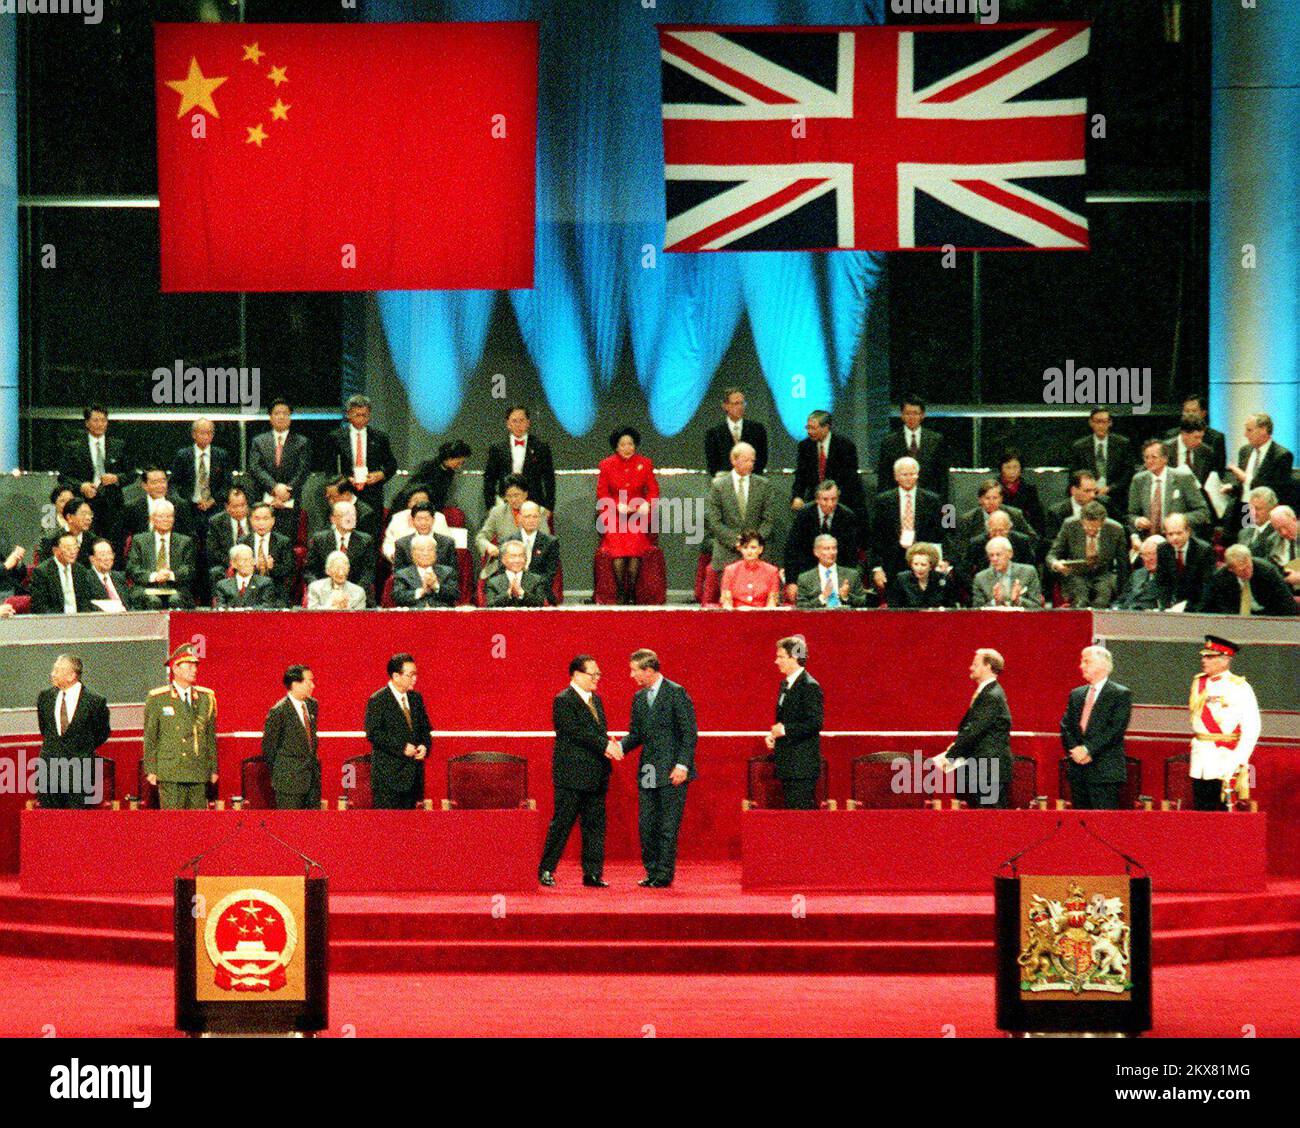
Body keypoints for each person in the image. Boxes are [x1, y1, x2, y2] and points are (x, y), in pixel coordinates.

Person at [615, 650, 698, 888]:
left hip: (673, 771)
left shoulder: (676, 693)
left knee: (667, 825)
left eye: (634, 670)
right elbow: (637, 734)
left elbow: (689, 733)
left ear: (648, 671)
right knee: (647, 823)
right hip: (649, 770)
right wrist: (618, 746)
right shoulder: (639, 698)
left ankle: (663, 874)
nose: (631, 675)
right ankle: (652, 871)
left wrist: (682, 765)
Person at [539, 655, 617, 887]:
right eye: (592, 674)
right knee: (562, 823)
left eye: (598, 674)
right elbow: (575, 732)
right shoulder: (563, 700)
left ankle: (592, 873)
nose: (596, 679)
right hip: (571, 775)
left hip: (596, 774)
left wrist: (608, 744)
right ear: (576, 674)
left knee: (595, 826)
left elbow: (596, 732)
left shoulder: (597, 700)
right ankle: (546, 869)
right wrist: (605, 745)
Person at [1187, 635, 1261, 810]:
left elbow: (1252, 727)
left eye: (1210, 657)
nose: (1203, 660)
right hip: (1200, 758)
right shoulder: (1199, 682)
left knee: (1223, 814)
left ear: (1225, 660)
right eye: (1203, 656)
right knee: (1201, 812)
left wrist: (1239, 760)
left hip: (1225, 759)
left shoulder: (1239, 687)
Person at [933, 648, 1012, 808]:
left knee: (988, 822)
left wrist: (949, 757)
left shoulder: (991, 695)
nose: (971, 668)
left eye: (975, 664)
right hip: (984, 770)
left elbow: (973, 731)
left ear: (988, 666)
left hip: (987, 771)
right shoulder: (990, 693)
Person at [142, 644, 218, 810]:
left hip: (197, 768)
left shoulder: (206, 698)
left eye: (195, 665)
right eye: (189, 665)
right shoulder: (158, 698)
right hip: (171, 770)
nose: (194, 670)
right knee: (173, 823)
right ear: (175, 668)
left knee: (198, 824)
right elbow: (151, 737)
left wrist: (213, 768)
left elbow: (210, 736)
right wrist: (151, 769)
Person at [1059, 646, 1132, 809]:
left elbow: (1115, 730)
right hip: (1078, 770)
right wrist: (1076, 751)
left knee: (1102, 825)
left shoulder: (1120, 694)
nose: (1081, 666)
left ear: (1103, 665)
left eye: (1086, 661)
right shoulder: (1076, 694)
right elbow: (1066, 726)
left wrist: (1088, 750)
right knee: (1080, 823)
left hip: (1104, 772)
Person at [57, 404, 137, 553]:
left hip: (112, 504)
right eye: (95, 420)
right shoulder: (73, 447)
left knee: (113, 544)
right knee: (85, 544)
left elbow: (132, 474)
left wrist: (117, 478)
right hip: (84, 502)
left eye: (103, 420)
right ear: (87, 423)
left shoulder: (119, 445)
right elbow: (63, 476)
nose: (100, 424)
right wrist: (81, 486)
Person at [36, 654, 110, 808]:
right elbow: (45, 730)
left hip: (80, 773)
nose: (53, 673)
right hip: (49, 772)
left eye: (57, 670)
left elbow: (102, 733)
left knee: (77, 825)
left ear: (72, 675)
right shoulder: (45, 697)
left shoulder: (95, 701)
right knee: (50, 825)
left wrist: (80, 748)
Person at [596, 427, 660, 604]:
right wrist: (617, 506)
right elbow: (602, 494)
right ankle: (620, 592)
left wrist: (647, 504)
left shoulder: (645, 463)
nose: (627, 447)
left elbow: (653, 490)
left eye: (630, 444)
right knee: (618, 551)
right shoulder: (606, 464)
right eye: (622, 444)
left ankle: (631, 591)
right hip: (614, 513)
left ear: (635, 445)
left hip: (637, 513)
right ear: (616, 447)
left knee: (634, 551)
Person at [364, 653, 432, 809]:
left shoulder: (416, 698)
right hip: (388, 782)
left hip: (413, 778)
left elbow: (425, 728)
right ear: (395, 676)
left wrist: (424, 745)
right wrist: (401, 747)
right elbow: (373, 733)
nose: (415, 678)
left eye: (416, 674)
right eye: (410, 675)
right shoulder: (378, 700)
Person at [869, 456, 944, 595]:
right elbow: (875, 538)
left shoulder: (934, 500)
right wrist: (876, 568)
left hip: (924, 564)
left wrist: (945, 559)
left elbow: (945, 531)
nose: (909, 478)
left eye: (912, 474)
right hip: (892, 564)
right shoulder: (882, 501)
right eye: (904, 474)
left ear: (918, 475)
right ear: (896, 476)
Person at [765, 636, 823, 809]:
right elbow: (786, 719)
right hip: (788, 766)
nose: (776, 661)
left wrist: (784, 730)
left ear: (795, 657)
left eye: (781, 657)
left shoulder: (809, 685)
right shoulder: (786, 684)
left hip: (801, 768)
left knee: (801, 821)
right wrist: (774, 735)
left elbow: (815, 723)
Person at [783, 479, 860, 603]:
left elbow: (850, 554)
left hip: (837, 572)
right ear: (817, 499)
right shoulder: (804, 514)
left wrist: (846, 581)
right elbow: (792, 549)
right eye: (825, 499)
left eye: (834, 499)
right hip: (807, 574)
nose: (830, 504)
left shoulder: (847, 516)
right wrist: (791, 581)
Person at [706, 442, 774, 575]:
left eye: (752, 461)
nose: (750, 464)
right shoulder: (719, 486)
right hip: (727, 556)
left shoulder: (764, 486)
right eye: (746, 460)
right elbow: (714, 522)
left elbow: (768, 520)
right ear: (733, 460)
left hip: (757, 556)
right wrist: (737, 541)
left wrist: (753, 544)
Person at [248, 398, 312, 539]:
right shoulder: (258, 441)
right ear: (270, 417)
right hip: (264, 499)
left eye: (285, 413)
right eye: (277, 413)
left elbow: (303, 470)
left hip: (290, 501)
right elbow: (255, 467)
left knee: (287, 542)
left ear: (290, 417)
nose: (281, 416)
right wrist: (274, 488)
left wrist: (286, 491)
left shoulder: (302, 442)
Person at [1128, 437, 1210, 544]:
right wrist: (1137, 521)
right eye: (1146, 457)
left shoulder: (1183, 478)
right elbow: (1131, 515)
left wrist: (1179, 521)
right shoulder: (1138, 480)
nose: (1149, 461)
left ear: (1165, 459)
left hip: (1178, 539)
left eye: (1154, 457)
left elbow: (1203, 512)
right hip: (1148, 540)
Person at [328, 394, 398, 518]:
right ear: (349, 414)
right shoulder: (336, 437)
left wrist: (381, 474)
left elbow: (391, 464)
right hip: (346, 492)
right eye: (357, 415)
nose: (361, 419)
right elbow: (329, 468)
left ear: (369, 415)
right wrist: (345, 479)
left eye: (364, 415)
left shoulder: (379, 437)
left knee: (372, 531)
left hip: (373, 493)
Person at [1046, 501, 1126, 609]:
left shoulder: (1116, 530)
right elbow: (1052, 555)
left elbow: (1123, 563)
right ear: (1081, 521)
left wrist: (1123, 591)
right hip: (1076, 574)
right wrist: (1056, 564)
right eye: (1087, 528)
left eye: (1096, 529)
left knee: (1102, 600)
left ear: (1102, 523)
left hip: (1103, 574)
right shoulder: (1069, 525)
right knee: (1080, 600)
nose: (1091, 532)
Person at [262, 665, 321, 809]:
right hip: (289, 784)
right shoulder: (279, 711)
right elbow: (269, 748)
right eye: (309, 682)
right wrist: (284, 773)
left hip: (312, 782)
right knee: (290, 828)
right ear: (295, 684)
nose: (313, 686)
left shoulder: (312, 705)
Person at [1222, 412, 1295, 523]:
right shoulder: (1244, 451)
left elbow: (1274, 490)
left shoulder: (1282, 456)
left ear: (1263, 430)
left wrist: (1245, 478)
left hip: (1263, 513)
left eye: (1249, 430)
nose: (1245, 434)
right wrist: (1232, 487)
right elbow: (1242, 485)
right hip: (1242, 508)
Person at [482, 404, 556, 513]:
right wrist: (490, 506)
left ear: (528, 423)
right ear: (508, 424)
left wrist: (549, 507)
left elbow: (549, 479)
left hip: (534, 503)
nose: (518, 425)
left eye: (522, 420)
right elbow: (489, 479)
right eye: (514, 421)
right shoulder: (497, 449)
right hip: (505, 503)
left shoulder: (541, 447)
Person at [876, 394, 949, 501]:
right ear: (902, 415)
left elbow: (942, 477)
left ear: (922, 415)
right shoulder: (889, 442)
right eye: (908, 413)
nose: (911, 417)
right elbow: (884, 477)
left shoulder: (936, 440)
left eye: (915, 413)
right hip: (898, 499)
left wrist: (943, 505)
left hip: (928, 499)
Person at [476, 474, 551, 578]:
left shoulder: (538, 511)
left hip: (531, 566)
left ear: (525, 494)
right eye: (509, 496)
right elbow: (481, 537)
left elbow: (544, 540)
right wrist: (488, 546)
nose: (513, 500)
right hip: (502, 567)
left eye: (516, 495)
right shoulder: (497, 512)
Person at [169, 417, 232, 540]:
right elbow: (174, 484)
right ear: (194, 434)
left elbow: (227, 484)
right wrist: (183, 502)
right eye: (202, 432)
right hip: (189, 508)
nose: (205, 436)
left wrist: (213, 500)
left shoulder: (222, 455)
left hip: (215, 508)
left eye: (209, 433)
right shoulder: (183, 455)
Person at [793, 410, 865, 515]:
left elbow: (850, 479)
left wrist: (831, 500)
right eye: (807, 427)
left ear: (826, 427)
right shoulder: (805, 446)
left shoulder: (845, 446)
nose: (809, 431)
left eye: (813, 428)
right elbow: (801, 475)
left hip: (841, 501)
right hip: (815, 502)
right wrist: (797, 496)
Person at [125, 500, 196, 608]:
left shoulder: (185, 541)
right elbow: (133, 568)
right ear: (152, 519)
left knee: (176, 599)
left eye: (169, 516)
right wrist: (155, 576)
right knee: (153, 601)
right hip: (146, 587)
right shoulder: (139, 540)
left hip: (175, 587)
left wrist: (170, 575)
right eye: (161, 516)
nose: (166, 520)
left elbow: (189, 569)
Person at [1069, 407, 1133, 518]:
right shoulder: (1079, 446)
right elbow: (1074, 474)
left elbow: (1128, 472)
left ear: (1110, 423)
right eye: (1097, 421)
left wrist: (1109, 488)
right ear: (1091, 423)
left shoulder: (1122, 443)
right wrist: (1092, 489)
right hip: (1087, 499)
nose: (1101, 425)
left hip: (1116, 498)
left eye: (1104, 421)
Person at [306, 500, 375, 599]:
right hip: (324, 594)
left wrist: (354, 593)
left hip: (355, 595)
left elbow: (368, 573)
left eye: (353, 515)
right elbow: (309, 571)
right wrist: (322, 590)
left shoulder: (365, 541)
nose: (350, 519)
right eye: (344, 515)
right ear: (333, 519)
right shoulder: (319, 539)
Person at [1202, 545, 1297, 616]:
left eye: (1249, 566)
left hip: (1266, 618)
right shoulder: (1220, 578)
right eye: (1242, 570)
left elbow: (1287, 604)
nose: (1247, 572)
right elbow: (1207, 607)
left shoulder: (1267, 572)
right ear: (1231, 569)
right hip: (1235, 621)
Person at [501, 501, 561, 602]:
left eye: (535, 516)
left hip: (540, 594)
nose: (531, 520)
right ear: (519, 518)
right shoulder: (507, 541)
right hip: (511, 593)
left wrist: (526, 591)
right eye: (527, 516)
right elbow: (502, 571)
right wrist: (515, 588)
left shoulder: (551, 543)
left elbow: (549, 574)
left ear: (540, 518)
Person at [1154, 512, 1214, 611]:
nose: (1175, 538)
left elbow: (1206, 587)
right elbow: (1162, 583)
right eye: (1170, 534)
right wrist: (1164, 608)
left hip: (1196, 606)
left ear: (1188, 531)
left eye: (1179, 533)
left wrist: (1187, 609)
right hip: (1173, 606)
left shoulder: (1203, 550)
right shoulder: (1163, 549)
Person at [705, 387, 769, 477]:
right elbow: (713, 463)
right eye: (736, 403)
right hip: (725, 483)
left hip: (752, 481)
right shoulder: (714, 433)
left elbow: (762, 458)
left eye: (742, 403)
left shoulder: (757, 429)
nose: (740, 407)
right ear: (725, 406)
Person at [240, 503, 295, 606]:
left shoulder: (283, 542)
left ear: (273, 521)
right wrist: (255, 567)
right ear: (250, 520)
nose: (261, 523)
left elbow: (289, 570)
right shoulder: (243, 542)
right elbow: (238, 569)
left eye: (265, 519)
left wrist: (272, 568)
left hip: (275, 590)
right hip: (249, 589)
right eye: (257, 519)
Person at [796, 534, 870, 609]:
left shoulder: (852, 575)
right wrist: (822, 597)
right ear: (816, 552)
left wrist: (846, 597)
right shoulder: (805, 578)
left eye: (834, 548)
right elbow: (801, 607)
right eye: (827, 549)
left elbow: (863, 602)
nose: (832, 552)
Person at [29, 534, 97, 614]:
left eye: (75, 548)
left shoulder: (80, 570)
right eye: (68, 549)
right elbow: (39, 606)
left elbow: (86, 601)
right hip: (56, 620)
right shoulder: (42, 572)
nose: (73, 552)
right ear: (55, 550)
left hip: (79, 620)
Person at [384, 489, 454, 563]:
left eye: (423, 500)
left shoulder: (439, 517)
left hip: (434, 561)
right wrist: (393, 555)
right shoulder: (398, 518)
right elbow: (389, 543)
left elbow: (447, 543)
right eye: (415, 500)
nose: (420, 502)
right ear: (408, 503)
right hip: (405, 562)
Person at [971, 536, 1041, 609]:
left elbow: (1038, 607)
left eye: (998, 554)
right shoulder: (980, 578)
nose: (994, 559)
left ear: (1010, 554)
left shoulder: (1028, 572)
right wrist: (995, 602)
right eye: (991, 555)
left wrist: (1018, 600)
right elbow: (976, 610)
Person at [1164, 393, 1226, 473]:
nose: (1190, 414)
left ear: (1203, 413)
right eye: (1186, 411)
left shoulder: (1215, 440)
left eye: (1194, 411)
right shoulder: (1170, 437)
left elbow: (1218, 471)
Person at [390, 500, 458, 574]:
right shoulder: (402, 544)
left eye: (427, 519)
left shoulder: (447, 543)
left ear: (433, 520)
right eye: (419, 519)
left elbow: (453, 573)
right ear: (412, 521)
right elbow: (398, 574)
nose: (423, 523)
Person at [721, 531, 782, 609]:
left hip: (762, 616)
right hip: (736, 616)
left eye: (753, 547)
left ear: (760, 549)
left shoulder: (772, 571)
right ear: (740, 549)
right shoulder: (730, 570)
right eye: (745, 547)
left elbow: (772, 603)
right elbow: (726, 603)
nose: (749, 552)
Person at [392, 535, 457, 608]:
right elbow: (397, 596)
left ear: (436, 553)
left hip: (441, 615)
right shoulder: (402, 574)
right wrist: (421, 592)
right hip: (413, 615)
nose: (425, 553)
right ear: (412, 553)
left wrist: (436, 586)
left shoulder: (448, 572)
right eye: (421, 550)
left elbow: (454, 594)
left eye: (430, 550)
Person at [206, 486, 251, 590]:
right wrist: (235, 564)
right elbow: (213, 551)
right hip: (227, 564)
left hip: (251, 563)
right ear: (227, 507)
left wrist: (247, 563)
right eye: (235, 506)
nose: (240, 510)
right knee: (215, 572)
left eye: (243, 505)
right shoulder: (216, 522)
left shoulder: (255, 518)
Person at [410, 439, 472, 512]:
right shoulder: (428, 468)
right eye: (458, 462)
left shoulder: (450, 472)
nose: (459, 466)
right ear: (449, 458)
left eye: (462, 463)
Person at [888, 542, 955, 609]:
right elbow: (894, 608)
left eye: (923, 565)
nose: (919, 568)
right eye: (916, 564)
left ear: (931, 566)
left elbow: (951, 609)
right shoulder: (901, 579)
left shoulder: (943, 579)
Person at [995, 448, 1045, 535]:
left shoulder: (1029, 490)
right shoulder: (993, 489)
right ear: (1001, 468)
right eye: (1008, 467)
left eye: (1015, 467)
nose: (1012, 472)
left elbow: (1038, 520)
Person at [213, 544, 280, 608]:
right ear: (233, 563)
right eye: (244, 560)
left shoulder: (265, 583)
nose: (249, 563)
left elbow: (267, 605)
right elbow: (220, 608)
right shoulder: (222, 585)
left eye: (251, 559)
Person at [121, 466, 178, 541]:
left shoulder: (179, 505)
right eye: (155, 482)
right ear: (144, 485)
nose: (160, 486)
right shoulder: (132, 507)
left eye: (163, 481)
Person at [1044, 470, 1100, 546]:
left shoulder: (1105, 505)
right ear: (1073, 491)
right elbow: (1052, 543)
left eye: (1094, 491)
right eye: (1087, 491)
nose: (1092, 495)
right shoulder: (1057, 513)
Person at [484, 540, 547, 607]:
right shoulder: (493, 582)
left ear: (526, 559)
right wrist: (508, 594)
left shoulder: (537, 580)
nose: (517, 560)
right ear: (503, 560)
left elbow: (540, 604)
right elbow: (490, 606)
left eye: (521, 556)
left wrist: (522, 593)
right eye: (512, 556)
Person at [1114, 535, 1167, 610]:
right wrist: (1115, 608)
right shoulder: (1137, 574)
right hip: (1126, 614)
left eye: (1153, 554)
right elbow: (1121, 599)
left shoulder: (1169, 576)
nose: (1148, 558)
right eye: (1145, 554)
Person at [40, 498, 95, 565]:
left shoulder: (93, 541)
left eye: (90, 514)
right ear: (69, 517)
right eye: (83, 514)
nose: (88, 518)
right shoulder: (51, 540)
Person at [85, 539, 128, 609]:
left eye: (109, 553)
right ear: (92, 559)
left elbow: (129, 603)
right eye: (102, 554)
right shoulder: (86, 578)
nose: (107, 558)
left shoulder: (120, 577)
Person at [1236, 487, 1278, 552]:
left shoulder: (1278, 534)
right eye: (1251, 508)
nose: (1253, 513)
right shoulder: (1243, 533)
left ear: (1272, 509)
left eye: (1258, 509)